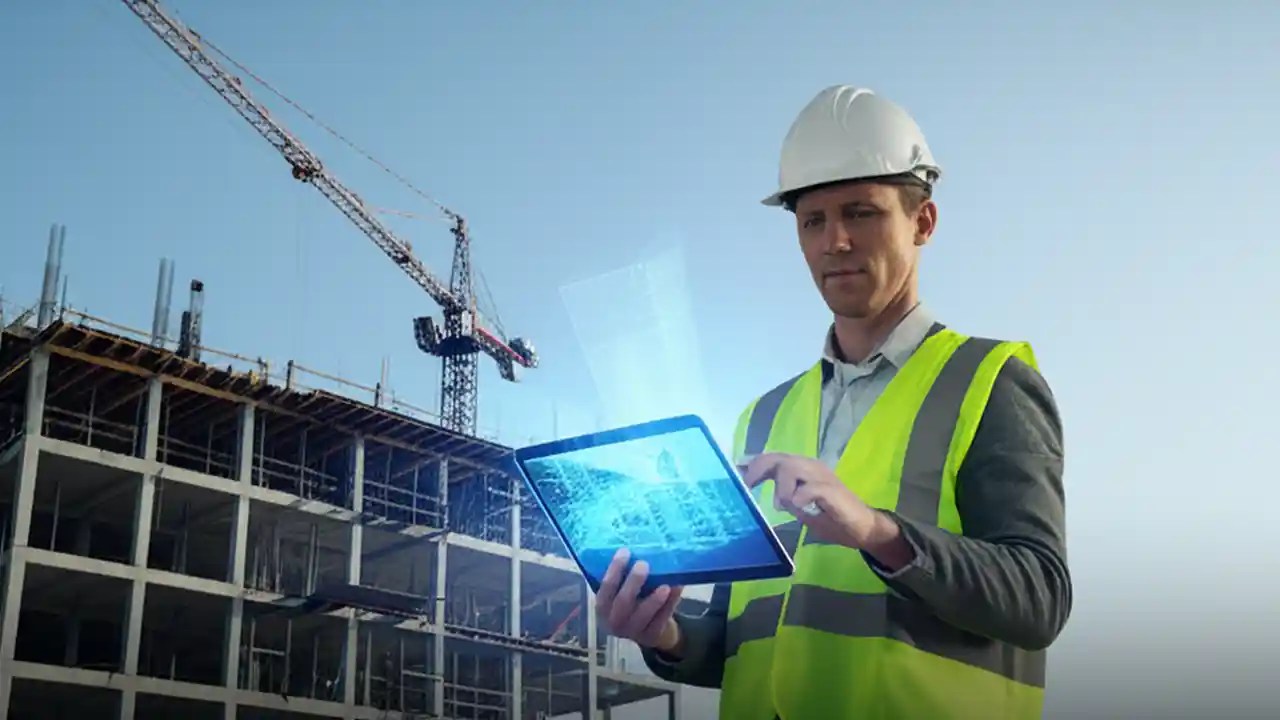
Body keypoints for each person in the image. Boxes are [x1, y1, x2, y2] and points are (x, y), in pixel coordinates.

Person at [593, 85, 1072, 719]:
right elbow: (743, 640)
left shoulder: (989, 382)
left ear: (923, 222)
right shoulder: (761, 419)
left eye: (861, 212)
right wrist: (664, 635)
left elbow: (1039, 597)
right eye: (813, 221)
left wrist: (875, 531)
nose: (834, 241)